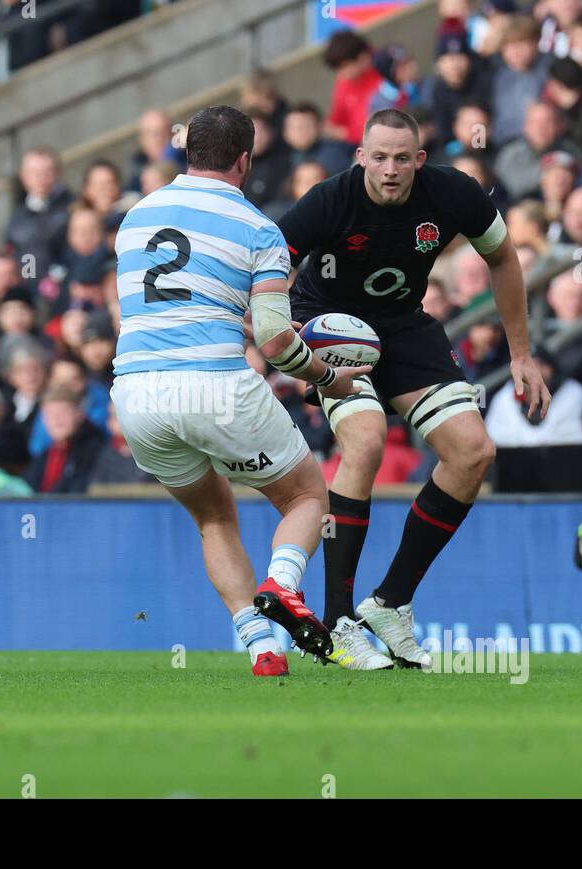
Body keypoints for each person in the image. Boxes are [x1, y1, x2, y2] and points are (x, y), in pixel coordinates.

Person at [277, 108, 551, 669]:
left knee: (474, 453)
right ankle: (335, 624)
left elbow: (502, 257)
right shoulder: (329, 201)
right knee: (367, 440)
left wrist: (520, 352)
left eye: (403, 158)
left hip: (403, 324)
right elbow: (271, 269)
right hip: (330, 327)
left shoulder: (454, 194)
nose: (390, 169)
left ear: (420, 160)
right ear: (360, 157)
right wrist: (282, 345)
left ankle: (391, 602)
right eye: (378, 157)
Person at [110, 105, 370, 676]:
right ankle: (280, 585)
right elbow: (277, 342)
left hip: (134, 392)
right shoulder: (258, 228)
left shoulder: (135, 216)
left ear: (187, 152)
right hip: (214, 382)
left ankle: (259, 643)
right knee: (306, 498)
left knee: (213, 518)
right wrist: (329, 377)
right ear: (246, 159)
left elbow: (170, 303)